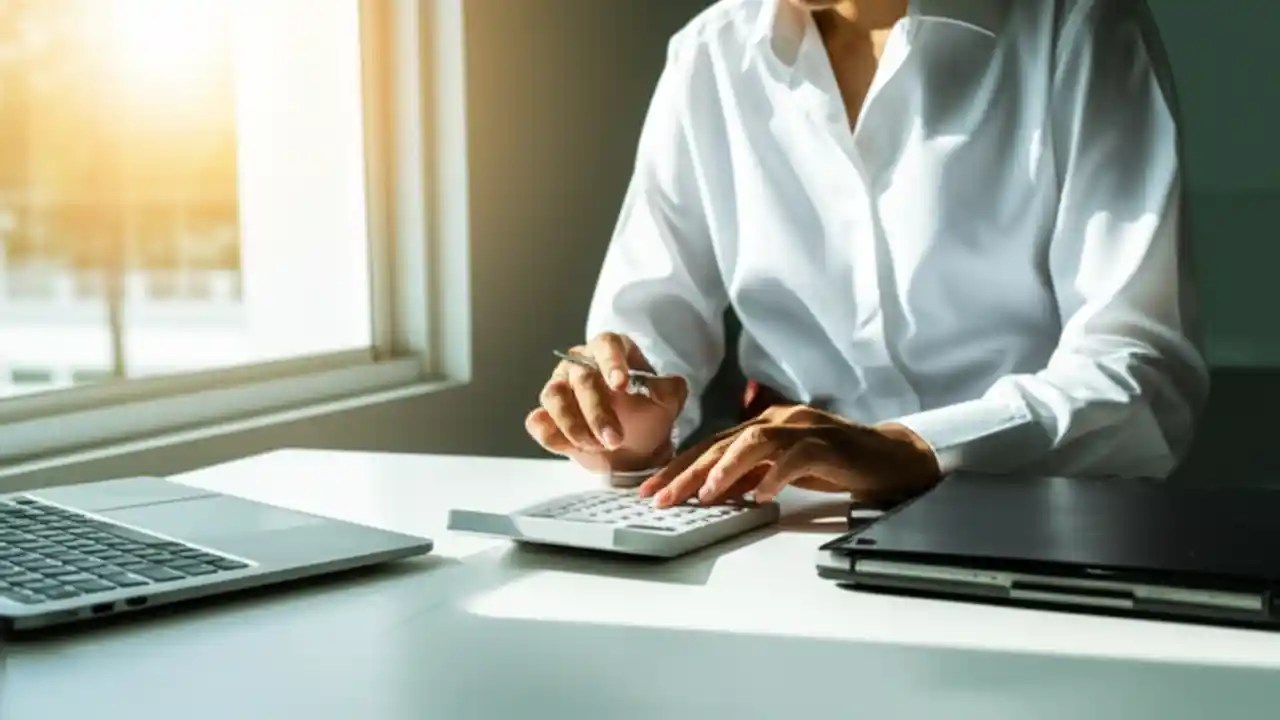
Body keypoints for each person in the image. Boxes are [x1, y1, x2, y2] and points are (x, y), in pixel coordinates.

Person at [525, 0, 1207, 509]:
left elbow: (1139, 381)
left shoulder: (1075, 25)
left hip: (1035, 507)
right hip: (785, 519)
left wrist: (912, 448)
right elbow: (646, 347)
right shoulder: (710, 53)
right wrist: (629, 421)